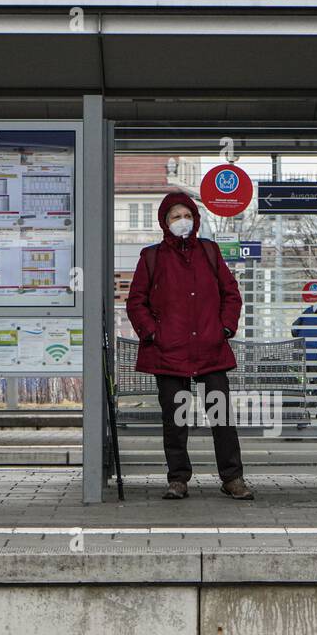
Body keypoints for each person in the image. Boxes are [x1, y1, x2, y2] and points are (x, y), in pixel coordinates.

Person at [125, 191, 254, 501]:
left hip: (210, 348)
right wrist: (153, 334)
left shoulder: (209, 252)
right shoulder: (151, 257)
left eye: (186, 216)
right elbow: (136, 302)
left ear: (195, 219)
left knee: (221, 416)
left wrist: (225, 327)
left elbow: (231, 294)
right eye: (174, 217)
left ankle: (232, 477)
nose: (181, 221)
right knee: (175, 418)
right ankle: (178, 478)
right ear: (164, 223)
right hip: (169, 351)